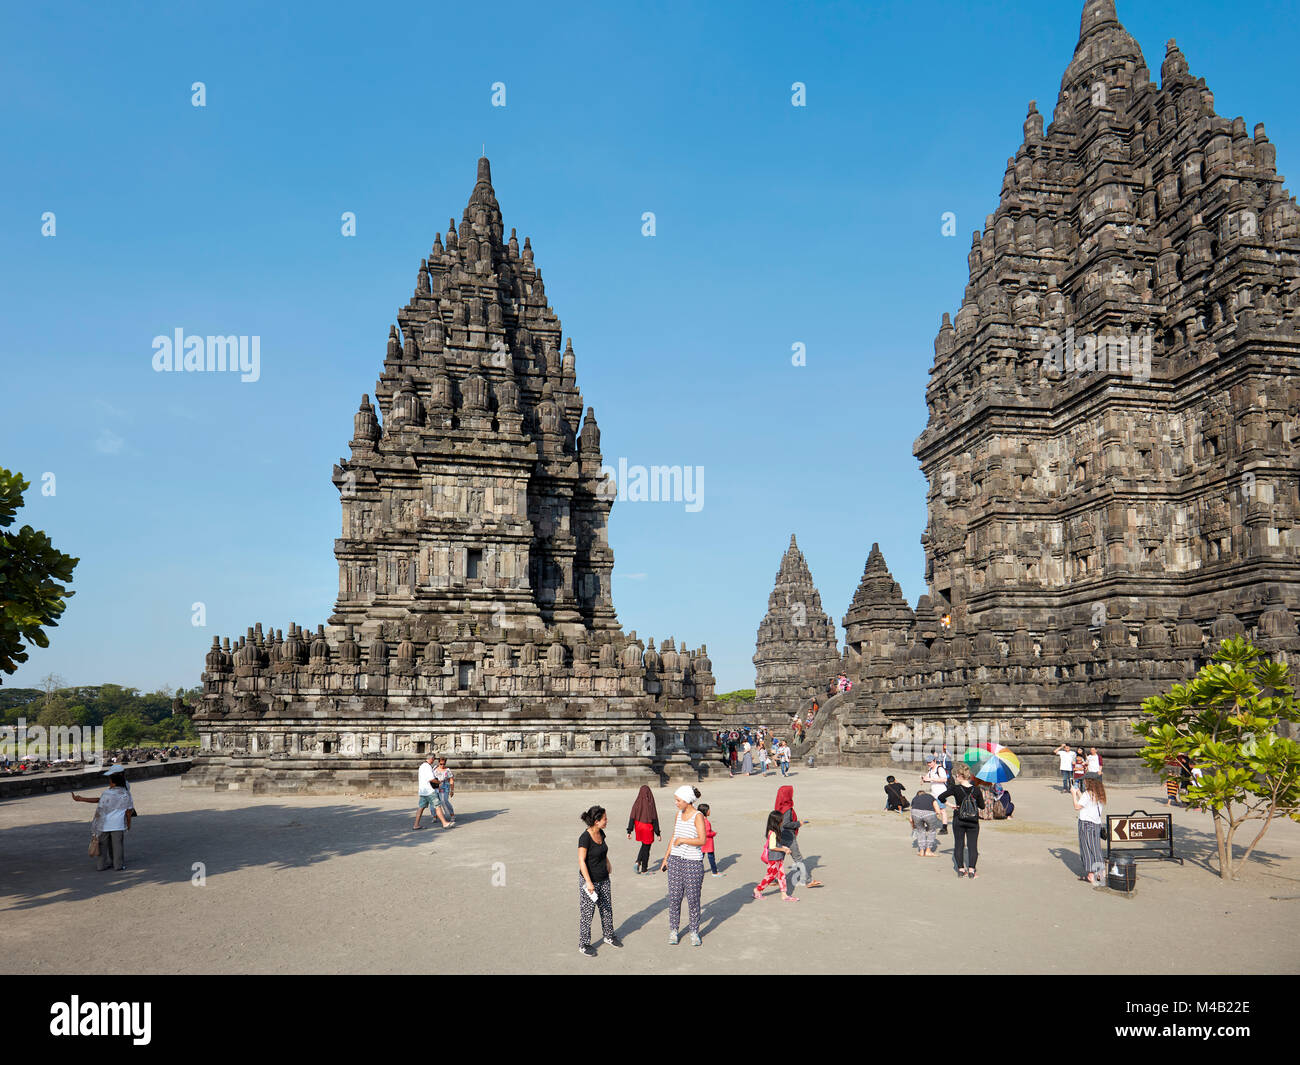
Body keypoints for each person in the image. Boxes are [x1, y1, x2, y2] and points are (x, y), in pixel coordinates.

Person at [659, 785, 707, 945]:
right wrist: (666, 858)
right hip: (675, 860)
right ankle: (674, 930)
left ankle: (694, 932)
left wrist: (684, 840)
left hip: (693, 862)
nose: (676, 803)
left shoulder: (698, 816)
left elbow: (702, 840)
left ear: (687, 800)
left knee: (693, 899)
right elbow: (674, 836)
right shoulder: (678, 815)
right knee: (674, 898)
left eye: (678, 800)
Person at [72, 765, 134, 870]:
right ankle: (118, 865)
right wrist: (128, 824)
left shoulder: (106, 793)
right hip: (118, 824)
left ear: (113, 780)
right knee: (117, 846)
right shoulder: (126, 793)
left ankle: (101, 866)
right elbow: (128, 811)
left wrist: (81, 799)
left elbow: (100, 801)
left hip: (104, 824)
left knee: (102, 846)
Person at [578, 806, 620, 956]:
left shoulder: (601, 833)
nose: (606, 821)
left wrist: (608, 862)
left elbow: (602, 850)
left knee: (607, 909)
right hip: (590, 881)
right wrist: (588, 882)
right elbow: (581, 861)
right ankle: (583, 944)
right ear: (596, 821)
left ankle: (608, 936)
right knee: (587, 913)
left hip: (604, 878)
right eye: (604, 819)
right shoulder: (585, 838)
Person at [938, 764, 985, 878]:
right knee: (972, 846)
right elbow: (982, 806)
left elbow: (941, 797)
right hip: (973, 820)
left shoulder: (955, 788)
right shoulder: (976, 789)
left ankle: (960, 869)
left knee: (959, 844)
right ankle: (972, 870)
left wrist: (951, 805)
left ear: (959, 775)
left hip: (959, 818)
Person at [775, 784, 823, 889]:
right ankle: (807, 880)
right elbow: (786, 824)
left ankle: (774, 879)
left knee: (779, 858)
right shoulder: (787, 808)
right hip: (788, 836)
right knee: (798, 858)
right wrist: (799, 823)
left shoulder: (779, 806)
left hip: (779, 835)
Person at [753, 809, 797, 902]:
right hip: (774, 858)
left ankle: (784, 894)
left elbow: (777, 845)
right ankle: (757, 890)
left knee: (781, 876)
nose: (782, 822)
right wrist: (784, 849)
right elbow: (772, 847)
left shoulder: (774, 832)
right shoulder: (772, 833)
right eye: (781, 820)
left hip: (778, 858)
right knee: (770, 876)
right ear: (776, 822)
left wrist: (784, 847)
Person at [1072, 777, 1106, 884]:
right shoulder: (1099, 794)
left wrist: (1073, 794)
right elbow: (1086, 803)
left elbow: (1077, 806)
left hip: (1086, 824)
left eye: (1086, 780)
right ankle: (1097, 874)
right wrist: (1078, 792)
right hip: (1096, 824)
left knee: (1087, 849)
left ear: (1089, 782)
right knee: (1095, 848)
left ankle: (1096, 875)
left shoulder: (1088, 794)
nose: (1084, 782)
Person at [626, 784, 661, 874]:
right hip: (647, 827)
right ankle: (644, 869)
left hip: (638, 826)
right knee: (647, 848)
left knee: (644, 845)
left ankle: (638, 861)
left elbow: (632, 817)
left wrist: (629, 831)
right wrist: (658, 833)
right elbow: (654, 818)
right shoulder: (650, 803)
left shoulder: (637, 802)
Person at [413, 755, 452, 830]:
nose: (433, 761)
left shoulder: (421, 766)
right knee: (437, 806)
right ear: (431, 759)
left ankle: (416, 824)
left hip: (422, 791)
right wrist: (438, 782)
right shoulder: (428, 767)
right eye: (433, 759)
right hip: (429, 790)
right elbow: (431, 779)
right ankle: (444, 823)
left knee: (421, 808)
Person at [923, 758, 950, 834]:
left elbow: (944, 779)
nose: (929, 764)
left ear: (934, 761)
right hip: (933, 793)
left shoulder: (940, 769)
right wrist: (924, 779)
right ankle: (929, 825)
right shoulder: (930, 769)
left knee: (942, 810)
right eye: (928, 763)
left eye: (930, 762)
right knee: (930, 809)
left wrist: (932, 779)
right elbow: (927, 777)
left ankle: (944, 827)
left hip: (941, 792)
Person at [910, 788, 939, 857]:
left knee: (920, 831)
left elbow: (911, 817)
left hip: (915, 813)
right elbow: (938, 810)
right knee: (931, 831)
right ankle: (928, 851)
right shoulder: (930, 796)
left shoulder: (915, 798)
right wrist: (935, 816)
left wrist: (913, 826)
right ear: (925, 793)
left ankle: (921, 851)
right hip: (929, 814)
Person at [699, 802, 720, 876]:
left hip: (701, 842)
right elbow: (707, 833)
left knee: (700, 857)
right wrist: (713, 833)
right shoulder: (706, 822)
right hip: (707, 842)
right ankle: (715, 872)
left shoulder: (700, 820)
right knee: (711, 858)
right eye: (708, 810)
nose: (709, 811)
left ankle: (698, 870)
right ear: (705, 812)